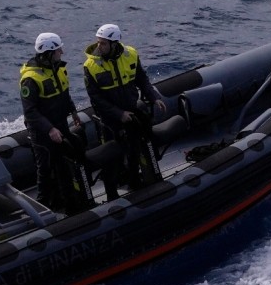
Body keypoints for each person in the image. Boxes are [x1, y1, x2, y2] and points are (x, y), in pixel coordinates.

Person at [82, 23, 168, 198]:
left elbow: (142, 80)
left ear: (114, 44)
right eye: (98, 42)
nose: (99, 46)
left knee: (135, 147)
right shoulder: (91, 66)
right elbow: (96, 99)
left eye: (103, 43)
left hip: (130, 111)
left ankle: (135, 182)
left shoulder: (130, 55)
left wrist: (154, 98)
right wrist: (119, 115)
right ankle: (112, 194)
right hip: (109, 118)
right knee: (111, 158)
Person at [19, 32, 92, 213]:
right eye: (59, 49)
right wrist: (50, 129)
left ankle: (71, 202)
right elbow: (30, 112)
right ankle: (43, 209)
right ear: (49, 52)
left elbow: (63, 93)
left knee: (65, 166)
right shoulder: (30, 79)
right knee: (45, 170)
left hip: (60, 125)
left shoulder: (58, 68)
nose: (62, 52)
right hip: (42, 134)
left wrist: (73, 110)